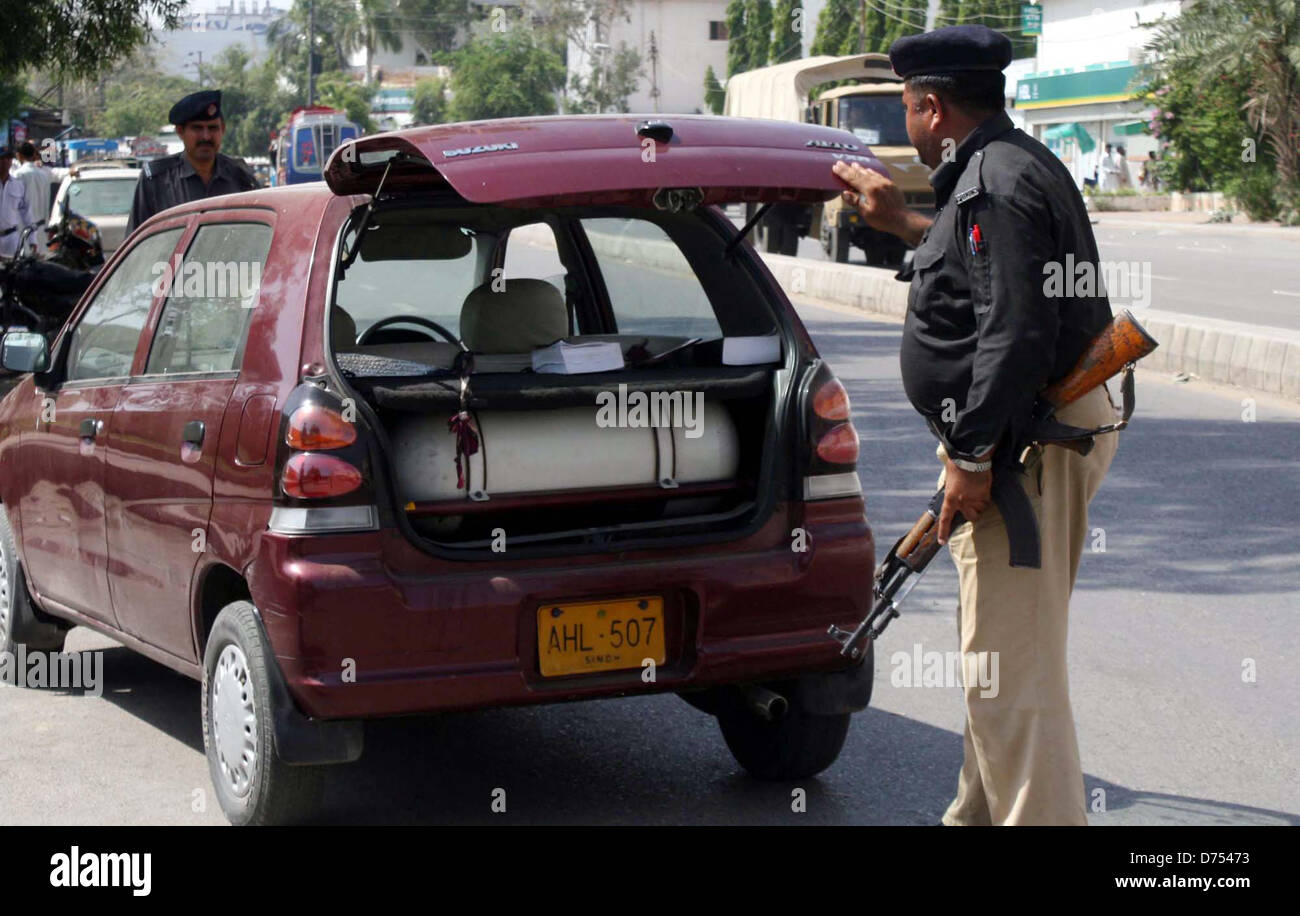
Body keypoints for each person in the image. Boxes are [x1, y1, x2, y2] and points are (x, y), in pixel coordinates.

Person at [832, 24, 1117, 826]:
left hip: (1024, 443)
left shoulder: (991, 181)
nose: (907, 125)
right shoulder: (1006, 164)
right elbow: (987, 274)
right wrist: (899, 225)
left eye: (906, 110)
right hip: (1017, 436)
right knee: (996, 663)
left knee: (1008, 673)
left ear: (929, 106)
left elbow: (1016, 330)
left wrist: (970, 454)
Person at [126, 89, 259, 234]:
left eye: (213, 128)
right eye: (197, 128)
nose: (206, 136)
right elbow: (137, 241)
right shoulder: (156, 180)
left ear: (223, 129)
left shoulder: (241, 177)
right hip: (175, 258)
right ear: (180, 131)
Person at [13, 141, 51, 255]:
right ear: (34, 155)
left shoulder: (18, 175)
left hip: (24, 232)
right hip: (42, 230)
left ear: (18, 155)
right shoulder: (43, 175)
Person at [0, 146, 35, 258]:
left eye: (9, 158)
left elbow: (27, 215)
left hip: (12, 239)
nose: (6, 161)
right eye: (2, 158)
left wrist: (32, 240)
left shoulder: (18, 185)